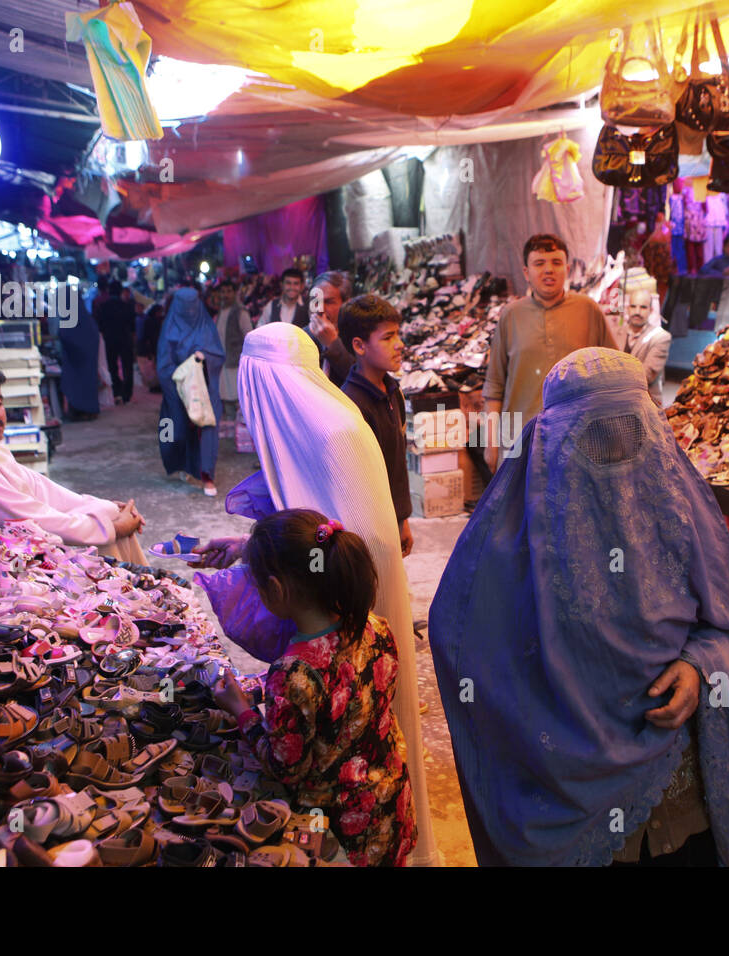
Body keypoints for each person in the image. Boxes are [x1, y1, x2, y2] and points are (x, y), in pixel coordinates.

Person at [429, 348, 729, 866]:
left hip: (676, 795)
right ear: (548, 435)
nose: (614, 454)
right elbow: (461, 641)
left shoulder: (683, 512)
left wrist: (700, 668)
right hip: (563, 802)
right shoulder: (505, 546)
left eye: (629, 432)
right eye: (591, 435)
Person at [194, 322, 440, 867]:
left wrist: (240, 707)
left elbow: (352, 534)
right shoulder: (369, 634)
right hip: (375, 779)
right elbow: (323, 536)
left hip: (340, 819)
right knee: (358, 727)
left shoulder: (332, 434)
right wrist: (247, 547)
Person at [211, 509, 417, 866]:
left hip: (340, 832)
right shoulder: (375, 626)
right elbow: (348, 693)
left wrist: (240, 709)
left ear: (275, 589)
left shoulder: (293, 673)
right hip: (390, 803)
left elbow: (287, 767)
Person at [0, 362, 148, 562]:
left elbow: (41, 490)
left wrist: (103, 506)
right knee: (104, 538)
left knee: (110, 520)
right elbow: (30, 519)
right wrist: (112, 527)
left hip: (15, 537)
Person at [482, 234, 616, 470]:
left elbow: (614, 374)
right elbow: (494, 387)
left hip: (580, 440)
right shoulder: (510, 315)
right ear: (526, 272)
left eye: (556, 263)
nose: (548, 270)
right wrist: (491, 443)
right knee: (525, 506)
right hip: (521, 440)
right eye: (539, 263)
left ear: (567, 268)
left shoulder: (588, 310)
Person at [338, 295, 413, 556]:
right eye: (388, 337)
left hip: (392, 522)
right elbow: (358, 484)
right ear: (359, 346)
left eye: (398, 335)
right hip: (368, 531)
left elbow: (396, 465)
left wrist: (402, 520)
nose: (399, 344)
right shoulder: (351, 406)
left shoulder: (393, 391)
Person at [156, 280, 224, 497]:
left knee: (207, 430)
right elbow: (163, 364)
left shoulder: (206, 326)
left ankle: (207, 475)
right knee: (173, 432)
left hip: (204, 389)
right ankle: (181, 464)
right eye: (183, 305)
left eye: (192, 304)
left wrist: (205, 358)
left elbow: (218, 355)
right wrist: (180, 376)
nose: (188, 310)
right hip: (176, 389)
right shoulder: (168, 329)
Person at [59, 283, 104, 420]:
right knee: (87, 382)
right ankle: (89, 410)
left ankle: (81, 411)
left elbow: (66, 334)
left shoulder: (70, 312)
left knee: (77, 385)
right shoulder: (82, 312)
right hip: (86, 354)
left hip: (76, 357)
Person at [306, 271, 357, 389]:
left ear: (346, 304)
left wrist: (333, 344)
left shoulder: (358, 336)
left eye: (329, 302)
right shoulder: (299, 337)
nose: (320, 309)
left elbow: (360, 381)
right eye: (315, 301)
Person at [624, 287, 672, 407]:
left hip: (645, 405)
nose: (637, 312)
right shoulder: (617, 333)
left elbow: (647, 375)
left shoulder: (661, 337)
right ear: (627, 308)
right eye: (633, 306)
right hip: (615, 402)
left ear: (651, 310)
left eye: (643, 307)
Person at [213, 282, 253, 413]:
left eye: (229, 291)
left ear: (234, 293)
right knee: (226, 400)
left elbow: (249, 337)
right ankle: (231, 431)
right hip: (223, 363)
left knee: (238, 401)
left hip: (236, 363)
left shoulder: (240, 312)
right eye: (223, 292)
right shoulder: (220, 312)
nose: (225, 295)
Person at [98, 280, 136, 405]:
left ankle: (117, 391)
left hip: (110, 339)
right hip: (125, 338)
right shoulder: (127, 305)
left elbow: (100, 325)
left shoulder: (103, 306)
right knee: (127, 367)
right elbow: (132, 325)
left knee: (112, 367)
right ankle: (127, 394)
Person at [137, 303, 164, 393]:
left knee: (155, 366)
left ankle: (155, 385)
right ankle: (156, 385)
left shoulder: (150, 320)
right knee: (156, 366)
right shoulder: (155, 321)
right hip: (155, 346)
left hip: (155, 346)